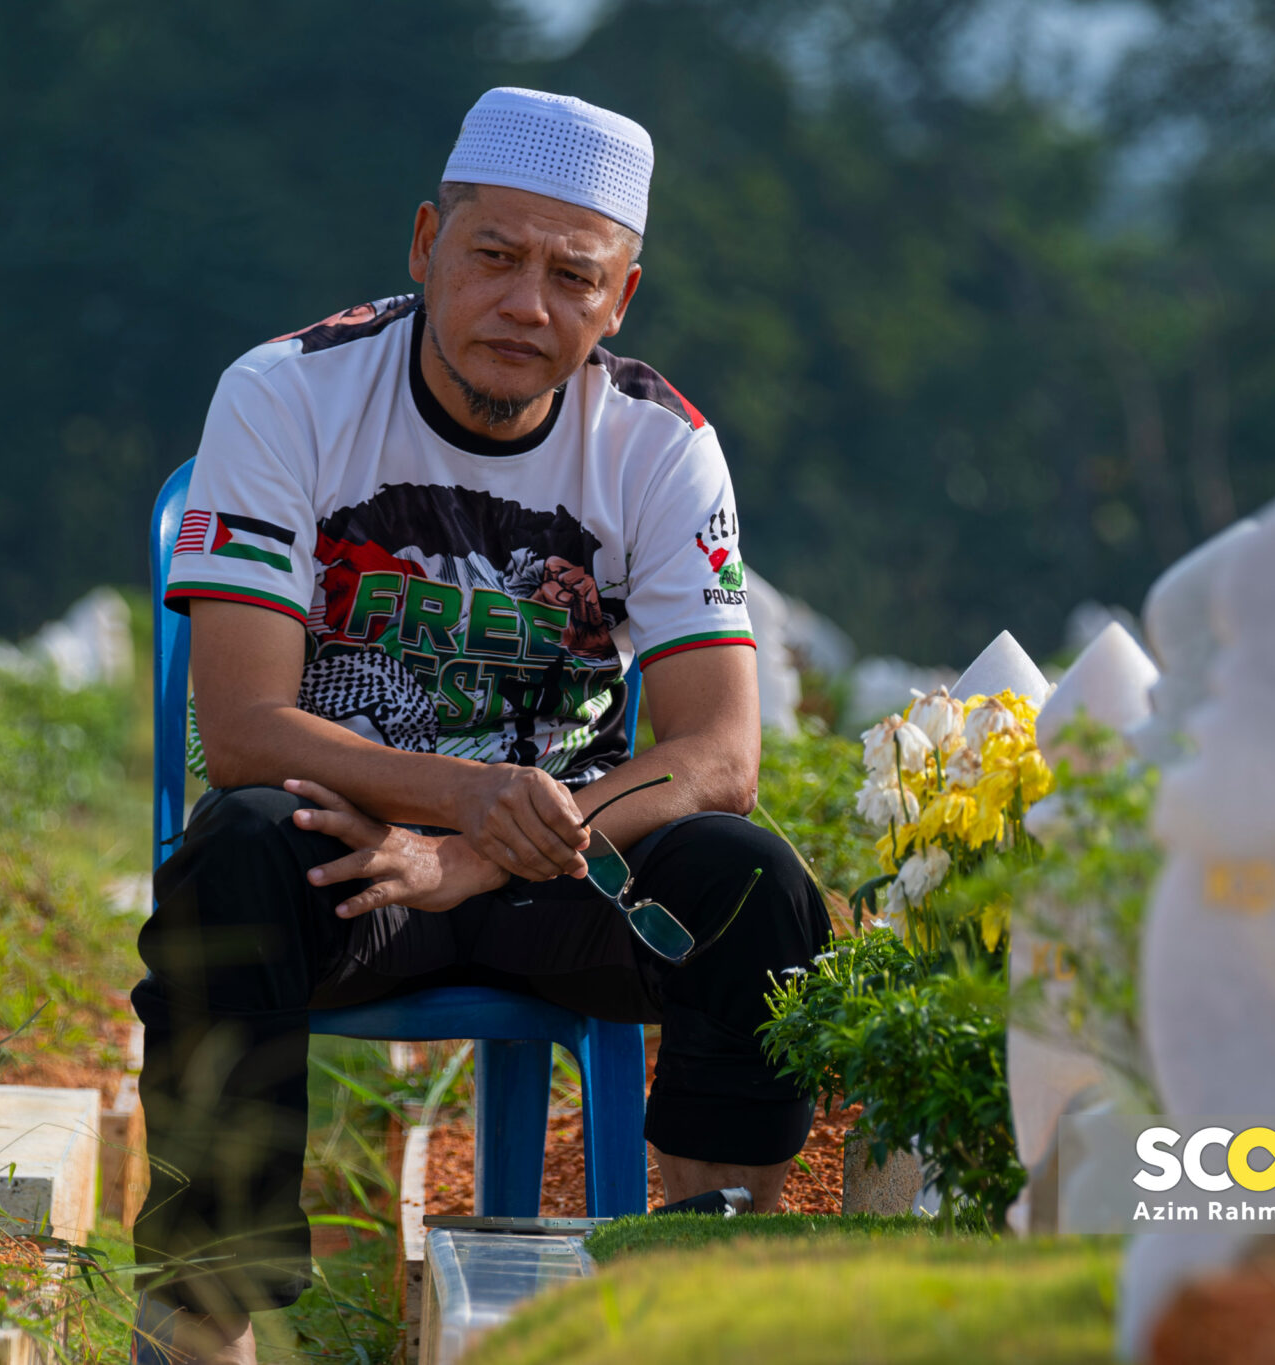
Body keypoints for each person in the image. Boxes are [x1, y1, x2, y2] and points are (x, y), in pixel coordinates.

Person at [130, 87, 829, 1365]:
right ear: (422, 247)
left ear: (618, 300)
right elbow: (238, 726)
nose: (526, 306)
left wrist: (483, 851)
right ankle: (203, 1325)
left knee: (753, 886)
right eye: (493, 257)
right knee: (233, 853)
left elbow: (718, 753)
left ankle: (715, 1281)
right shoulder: (288, 393)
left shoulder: (659, 443)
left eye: (573, 277)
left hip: (560, 876)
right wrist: (449, 805)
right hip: (348, 862)